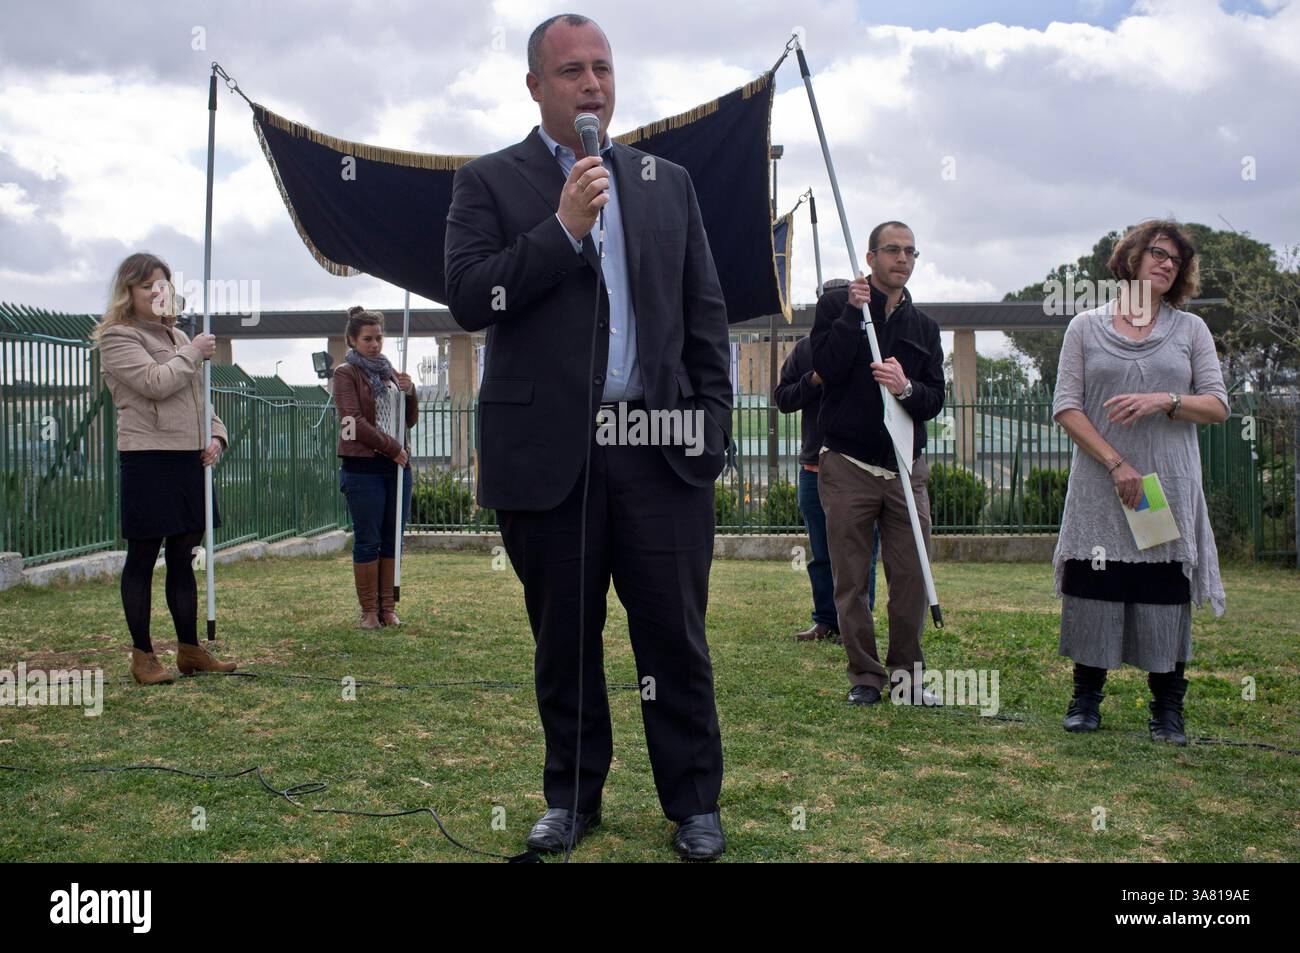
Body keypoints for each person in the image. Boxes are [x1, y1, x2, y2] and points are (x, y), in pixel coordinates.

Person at [444, 14, 732, 860]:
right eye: (572, 70)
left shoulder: (665, 181)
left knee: (674, 634)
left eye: (603, 67)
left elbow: (704, 311)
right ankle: (571, 797)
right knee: (565, 638)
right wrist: (563, 229)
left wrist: (709, 425)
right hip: (550, 456)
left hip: (658, 442)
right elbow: (470, 297)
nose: (593, 84)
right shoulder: (487, 182)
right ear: (536, 86)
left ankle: (693, 803)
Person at [1052, 220, 1229, 745]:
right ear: (1130, 258)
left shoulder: (1190, 331)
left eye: (1176, 259)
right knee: (1094, 586)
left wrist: (1165, 400)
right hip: (1103, 483)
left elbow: (1218, 405)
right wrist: (1115, 463)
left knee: (1161, 591)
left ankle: (1167, 709)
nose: (1167, 263)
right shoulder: (1084, 327)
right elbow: (1066, 407)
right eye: (1157, 252)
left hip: (1163, 485)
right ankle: (1085, 701)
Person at [811, 222, 946, 707]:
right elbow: (824, 367)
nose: (903, 259)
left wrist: (906, 388)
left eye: (911, 251)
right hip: (848, 463)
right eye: (893, 250)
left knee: (910, 575)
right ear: (870, 258)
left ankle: (907, 677)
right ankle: (865, 677)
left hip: (906, 466)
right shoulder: (838, 307)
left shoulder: (924, 328)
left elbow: (935, 399)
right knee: (851, 576)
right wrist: (852, 314)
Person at [95, 252, 236, 684]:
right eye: (147, 286)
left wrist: (216, 436)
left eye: (164, 285)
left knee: (183, 555)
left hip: (188, 458)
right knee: (142, 556)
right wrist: (193, 352)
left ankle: (190, 650)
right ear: (128, 293)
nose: (158, 293)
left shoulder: (177, 336)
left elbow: (200, 399)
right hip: (148, 457)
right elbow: (155, 384)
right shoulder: (118, 337)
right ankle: (143, 656)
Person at [772, 279, 879, 643]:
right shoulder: (805, 350)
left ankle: (860, 622)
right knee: (821, 553)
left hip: (861, 466)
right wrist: (815, 380)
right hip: (814, 467)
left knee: (862, 552)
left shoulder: (872, 346)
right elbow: (783, 397)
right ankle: (826, 619)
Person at [332, 306, 418, 629]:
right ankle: (369, 611)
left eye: (379, 338)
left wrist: (411, 394)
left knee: (393, 537)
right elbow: (352, 422)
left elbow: (407, 420)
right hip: (363, 467)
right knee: (368, 538)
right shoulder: (346, 373)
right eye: (368, 339)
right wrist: (392, 448)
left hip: (397, 467)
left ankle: (388, 608)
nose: (375, 345)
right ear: (353, 340)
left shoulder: (389, 373)